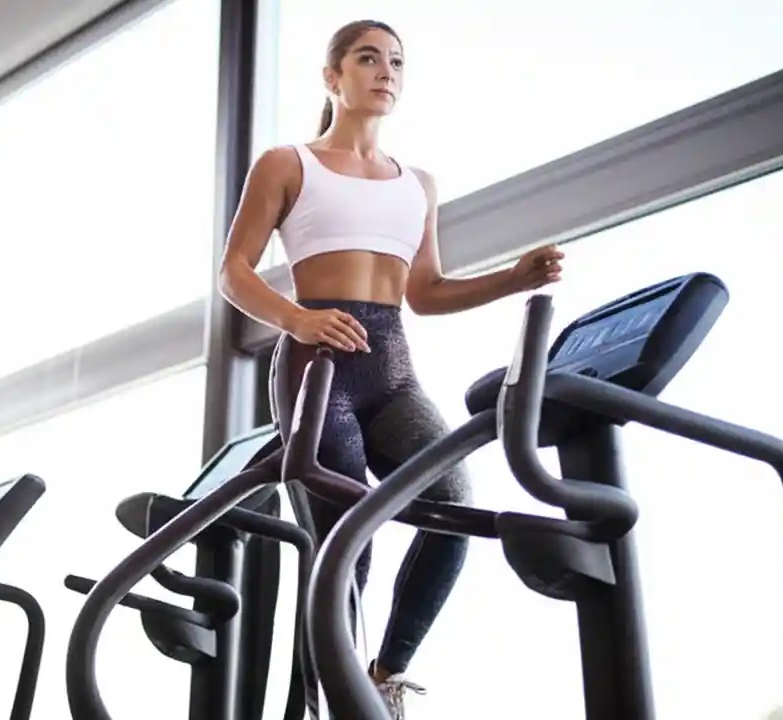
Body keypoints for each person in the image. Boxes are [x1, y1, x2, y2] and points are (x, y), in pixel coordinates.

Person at [218, 18, 564, 718]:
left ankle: (383, 676)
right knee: (346, 545)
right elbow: (233, 272)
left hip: (392, 366)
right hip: (318, 367)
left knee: (456, 504)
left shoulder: (419, 185)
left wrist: (514, 278)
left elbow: (426, 292)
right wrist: (298, 318)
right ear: (332, 77)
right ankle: (327, 707)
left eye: (396, 63)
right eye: (368, 59)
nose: (385, 72)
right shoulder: (288, 163)